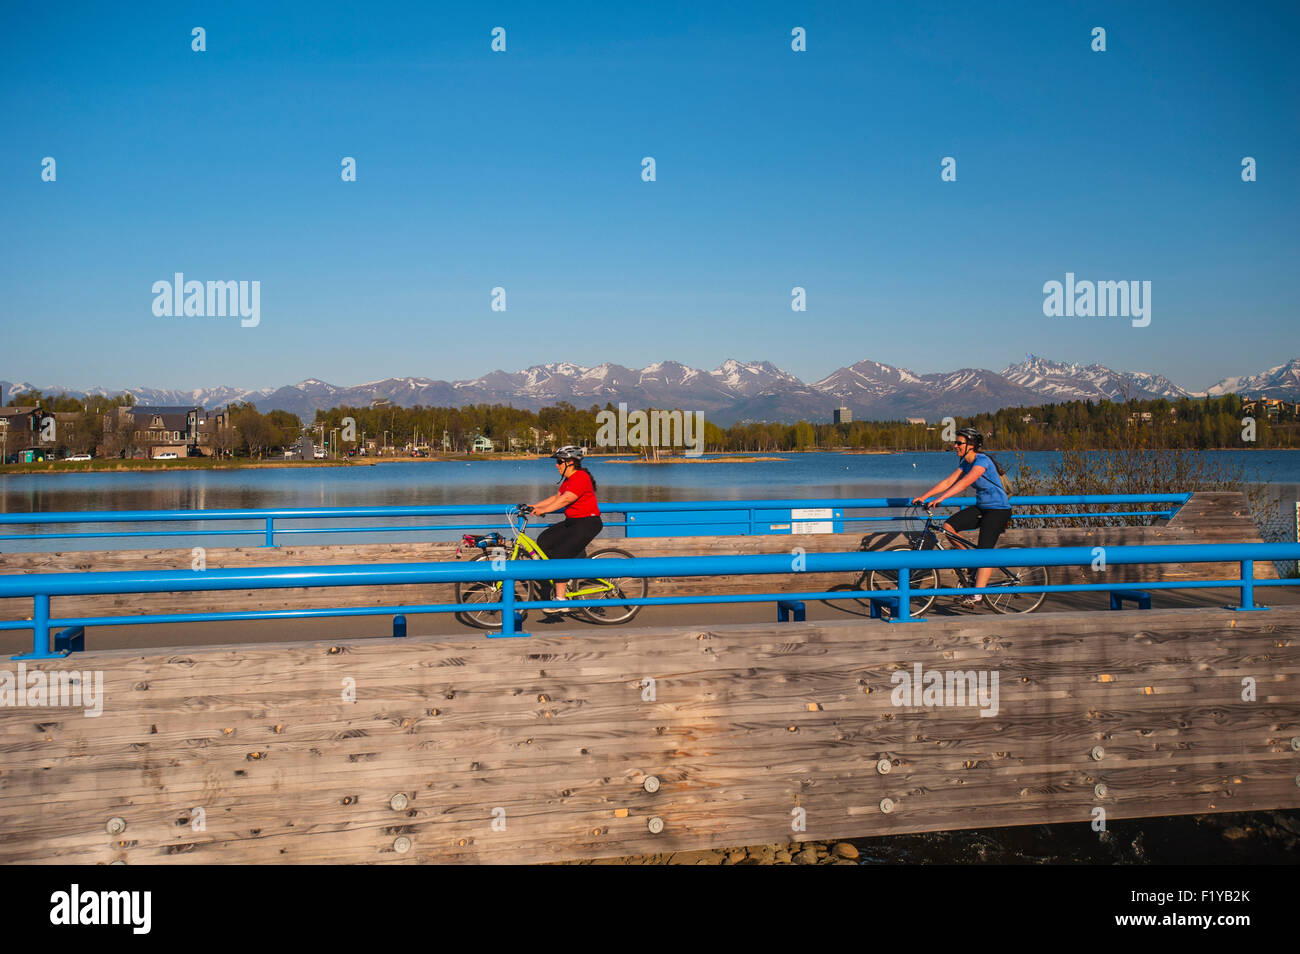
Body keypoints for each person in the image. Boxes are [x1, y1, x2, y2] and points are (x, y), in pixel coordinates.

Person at [911, 427, 1012, 609]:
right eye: (955, 443)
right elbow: (949, 481)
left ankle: (977, 595)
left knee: (985, 552)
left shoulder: (982, 461)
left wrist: (941, 499)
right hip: (983, 507)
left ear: (971, 445)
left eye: (959, 443)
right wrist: (925, 496)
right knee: (949, 526)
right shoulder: (965, 463)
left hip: (998, 510)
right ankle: (973, 564)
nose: (955, 446)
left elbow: (965, 482)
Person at [524, 446, 603, 615]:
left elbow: (567, 499)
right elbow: (556, 498)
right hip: (573, 522)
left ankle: (561, 601)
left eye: (559, 462)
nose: (556, 465)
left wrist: (544, 511)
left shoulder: (580, 477)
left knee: (560, 556)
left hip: (588, 523)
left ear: (571, 462)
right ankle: (568, 573)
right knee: (544, 540)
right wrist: (534, 506)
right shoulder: (568, 480)